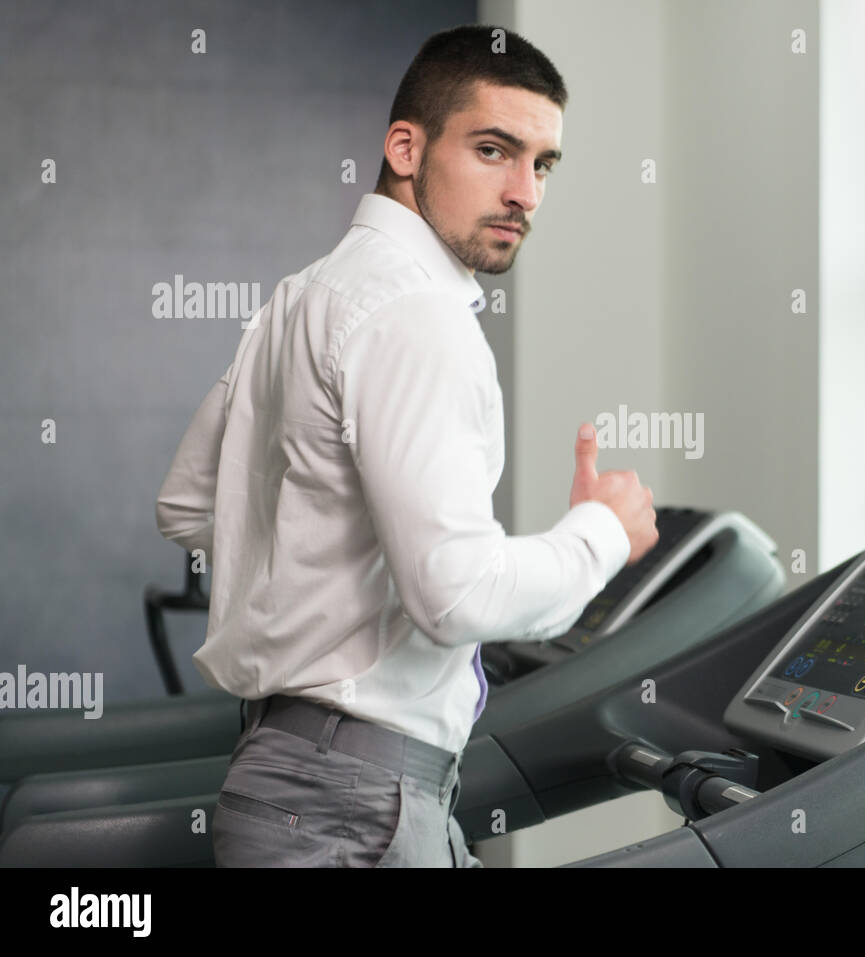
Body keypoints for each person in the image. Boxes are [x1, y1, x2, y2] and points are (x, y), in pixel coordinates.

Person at [154, 23, 658, 867]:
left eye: (543, 164)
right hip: (352, 803)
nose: (525, 192)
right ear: (405, 146)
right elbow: (455, 596)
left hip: (288, 777)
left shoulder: (303, 295)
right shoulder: (417, 317)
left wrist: (324, 565)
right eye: (494, 150)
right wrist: (602, 533)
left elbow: (187, 505)